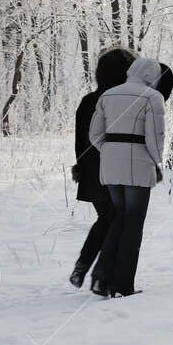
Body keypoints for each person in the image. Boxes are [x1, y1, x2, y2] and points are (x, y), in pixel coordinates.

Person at [88, 56, 167, 297]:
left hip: (110, 165)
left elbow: (95, 135)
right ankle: (121, 285)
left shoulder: (107, 95)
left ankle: (102, 278)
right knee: (132, 225)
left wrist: (110, 151)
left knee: (118, 219)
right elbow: (155, 136)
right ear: (152, 76)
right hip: (139, 166)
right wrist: (156, 161)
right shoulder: (153, 97)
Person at [70, 47, 136, 292]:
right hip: (114, 170)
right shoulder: (122, 102)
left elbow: (79, 139)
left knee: (107, 218)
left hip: (90, 171)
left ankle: (83, 267)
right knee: (118, 220)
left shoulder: (88, 100)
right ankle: (100, 275)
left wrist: (81, 166)